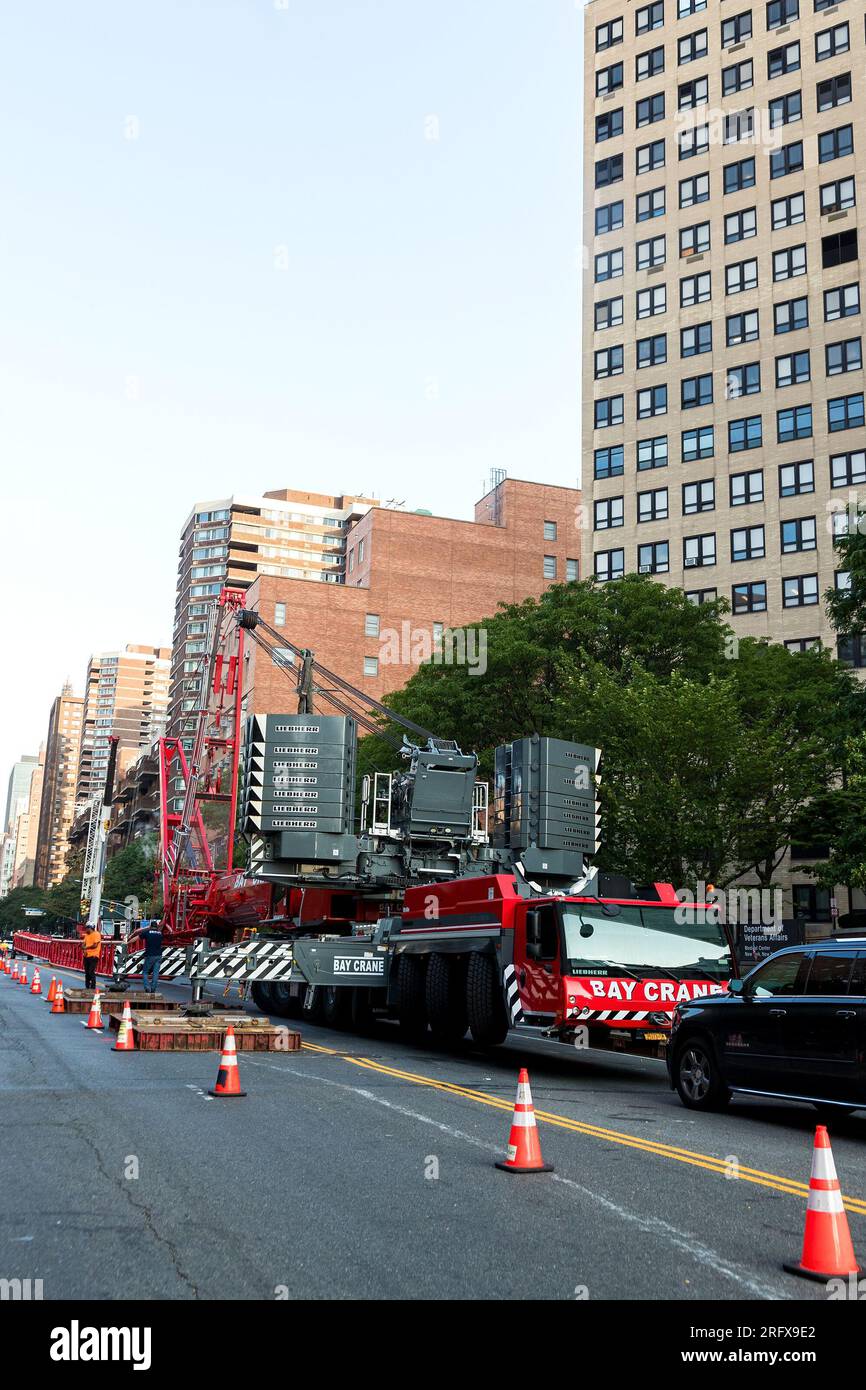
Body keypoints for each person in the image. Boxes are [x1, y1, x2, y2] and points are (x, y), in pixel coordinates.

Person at [141, 923, 164, 994]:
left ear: (150, 927)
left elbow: (137, 937)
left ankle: (147, 987)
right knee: (155, 973)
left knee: (145, 972)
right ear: (156, 927)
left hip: (150, 955)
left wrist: (128, 942)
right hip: (159, 955)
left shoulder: (147, 933)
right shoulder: (160, 934)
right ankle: (153, 989)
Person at [82, 922, 102, 992]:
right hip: (86, 956)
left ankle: (93, 987)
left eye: (87, 928)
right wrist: (84, 949)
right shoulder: (86, 935)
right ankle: (87, 987)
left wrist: (86, 947)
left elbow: (95, 945)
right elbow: (83, 944)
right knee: (87, 973)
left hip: (94, 956)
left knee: (91, 972)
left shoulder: (96, 934)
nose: (86, 929)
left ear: (90, 928)